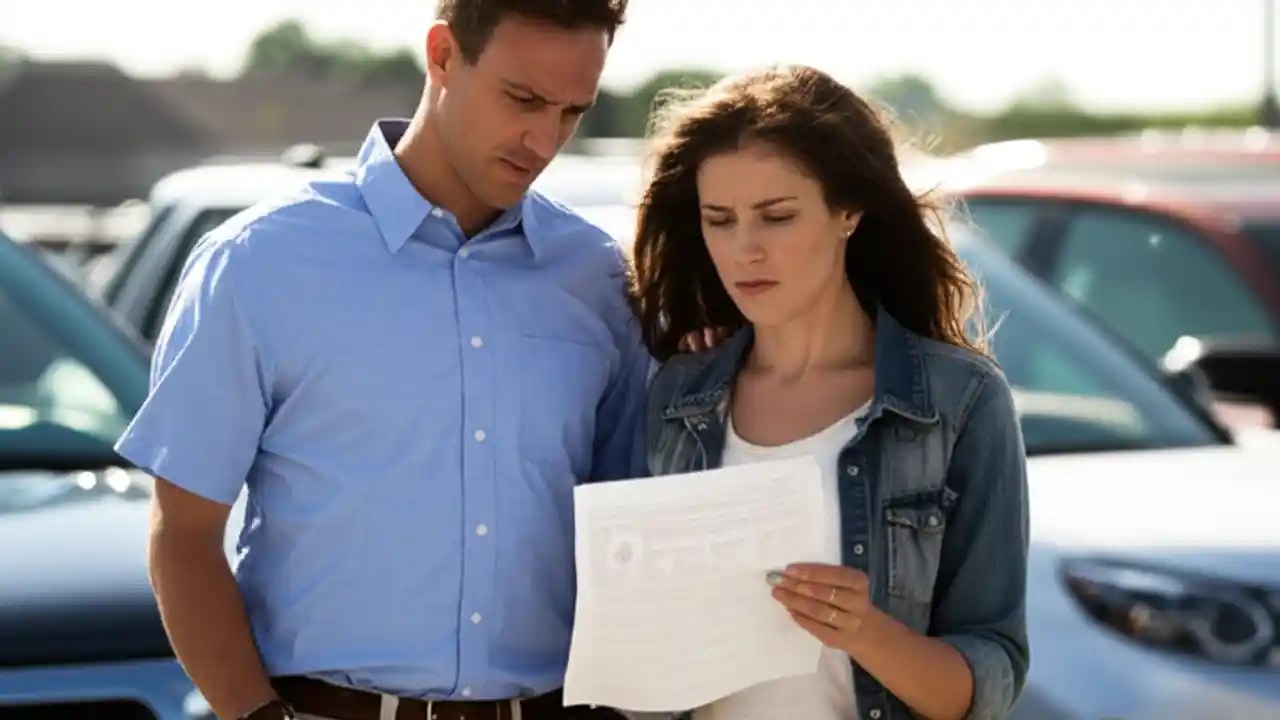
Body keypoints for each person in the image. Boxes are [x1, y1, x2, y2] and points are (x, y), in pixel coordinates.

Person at [113, 2, 649, 719]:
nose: (542, 138)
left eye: (572, 112)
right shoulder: (261, 262)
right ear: (443, 55)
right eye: (522, 99)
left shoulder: (597, 278)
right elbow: (181, 535)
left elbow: (627, 531)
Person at [629, 66, 1030, 720]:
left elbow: (991, 677)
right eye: (719, 221)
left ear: (848, 211)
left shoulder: (957, 404)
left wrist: (867, 631)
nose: (744, 250)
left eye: (777, 216)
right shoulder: (678, 396)